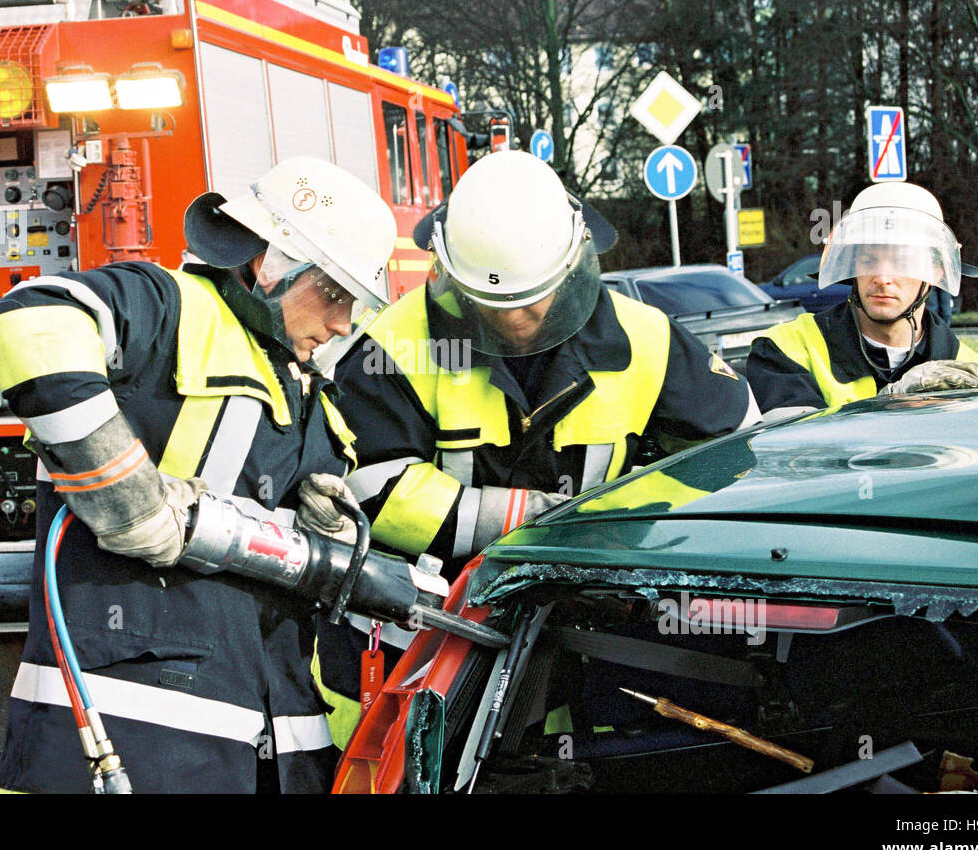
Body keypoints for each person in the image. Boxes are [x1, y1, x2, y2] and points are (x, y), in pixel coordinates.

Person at [314, 150, 760, 744]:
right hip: (418, 643)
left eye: (532, 300)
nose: (517, 319)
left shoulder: (644, 339)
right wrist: (538, 521)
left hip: (575, 639)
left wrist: (631, 527)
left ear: (573, 263)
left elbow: (736, 453)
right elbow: (370, 486)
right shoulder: (394, 345)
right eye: (495, 304)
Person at [0, 156, 396, 793]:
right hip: (131, 739)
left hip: (271, 751)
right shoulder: (170, 307)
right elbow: (33, 321)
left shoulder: (307, 390)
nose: (344, 323)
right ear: (271, 264)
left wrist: (318, 535)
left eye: (357, 305)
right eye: (336, 294)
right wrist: (129, 498)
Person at [747, 182, 978, 421]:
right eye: (869, 259)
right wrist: (891, 405)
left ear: (936, 271)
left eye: (902, 262)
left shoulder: (967, 368)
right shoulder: (785, 350)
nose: (883, 277)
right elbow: (793, 456)